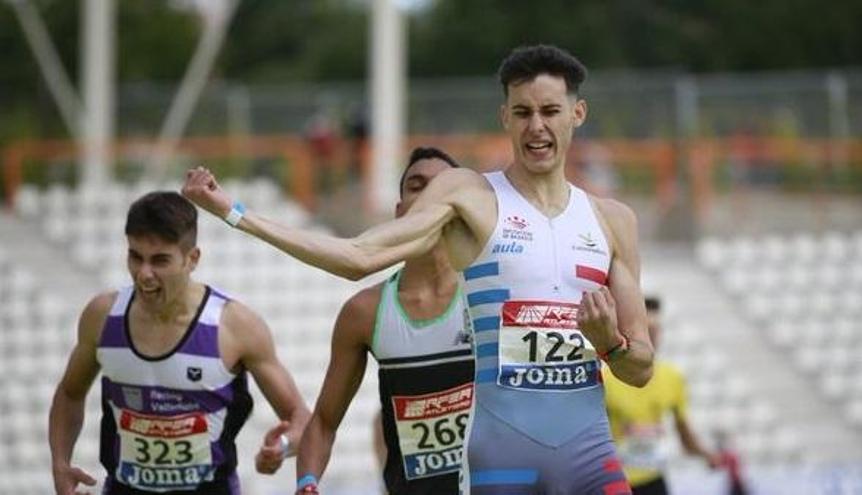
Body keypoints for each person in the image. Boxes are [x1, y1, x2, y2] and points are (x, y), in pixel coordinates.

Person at [183, 44, 654, 495]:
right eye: (523, 112)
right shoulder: (471, 196)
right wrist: (236, 214)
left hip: (590, 456)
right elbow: (359, 258)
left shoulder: (614, 221)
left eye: (550, 111)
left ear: (578, 114)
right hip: (502, 460)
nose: (537, 127)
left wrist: (608, 343)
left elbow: (640, 370)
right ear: (504, 117)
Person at [48, 191, 311, 495]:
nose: (144, 274)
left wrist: (282, 446)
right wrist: (60, 462)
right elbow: (69, 393)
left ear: (192, 259)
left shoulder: (235, 326)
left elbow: (301, 419)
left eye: (160, 260)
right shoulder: (102, 317)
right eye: (135, 257)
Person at [295, 147, 474, 494]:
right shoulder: (364, 313)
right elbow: (323, 423)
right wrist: (307, 482)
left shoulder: (490, 292)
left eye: (442, 188)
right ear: (399, 211)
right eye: (417, 186)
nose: (428, 197)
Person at [603, 296, 718, 495]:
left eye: (656, 330)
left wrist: (707, 455)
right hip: (613, 480)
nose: (653, 336)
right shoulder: (604, 376)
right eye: (648, 330)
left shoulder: (672, 377)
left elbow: (684, 435)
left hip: (653, 478)